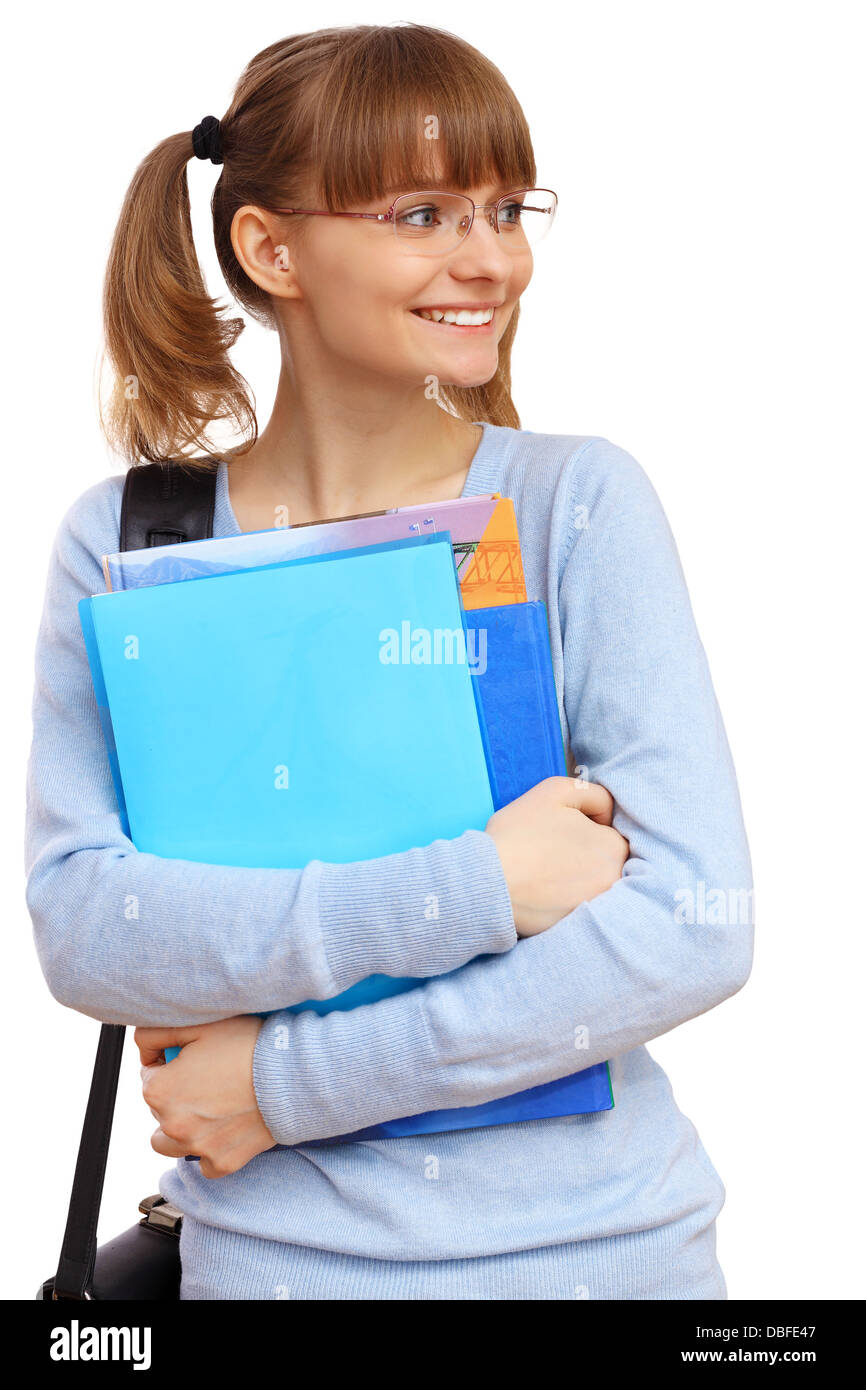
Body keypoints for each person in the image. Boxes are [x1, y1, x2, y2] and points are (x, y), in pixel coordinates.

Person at [25, 23, 753, 1300]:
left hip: (605, 1264)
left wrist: (281, 1086)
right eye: (423, 212)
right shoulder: (135, 539)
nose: (491, 260)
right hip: (271, 1273)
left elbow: (686, 926)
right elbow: (92, 928)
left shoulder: (576, 503)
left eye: (505, 208)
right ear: (269, 247)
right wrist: (479, 886)